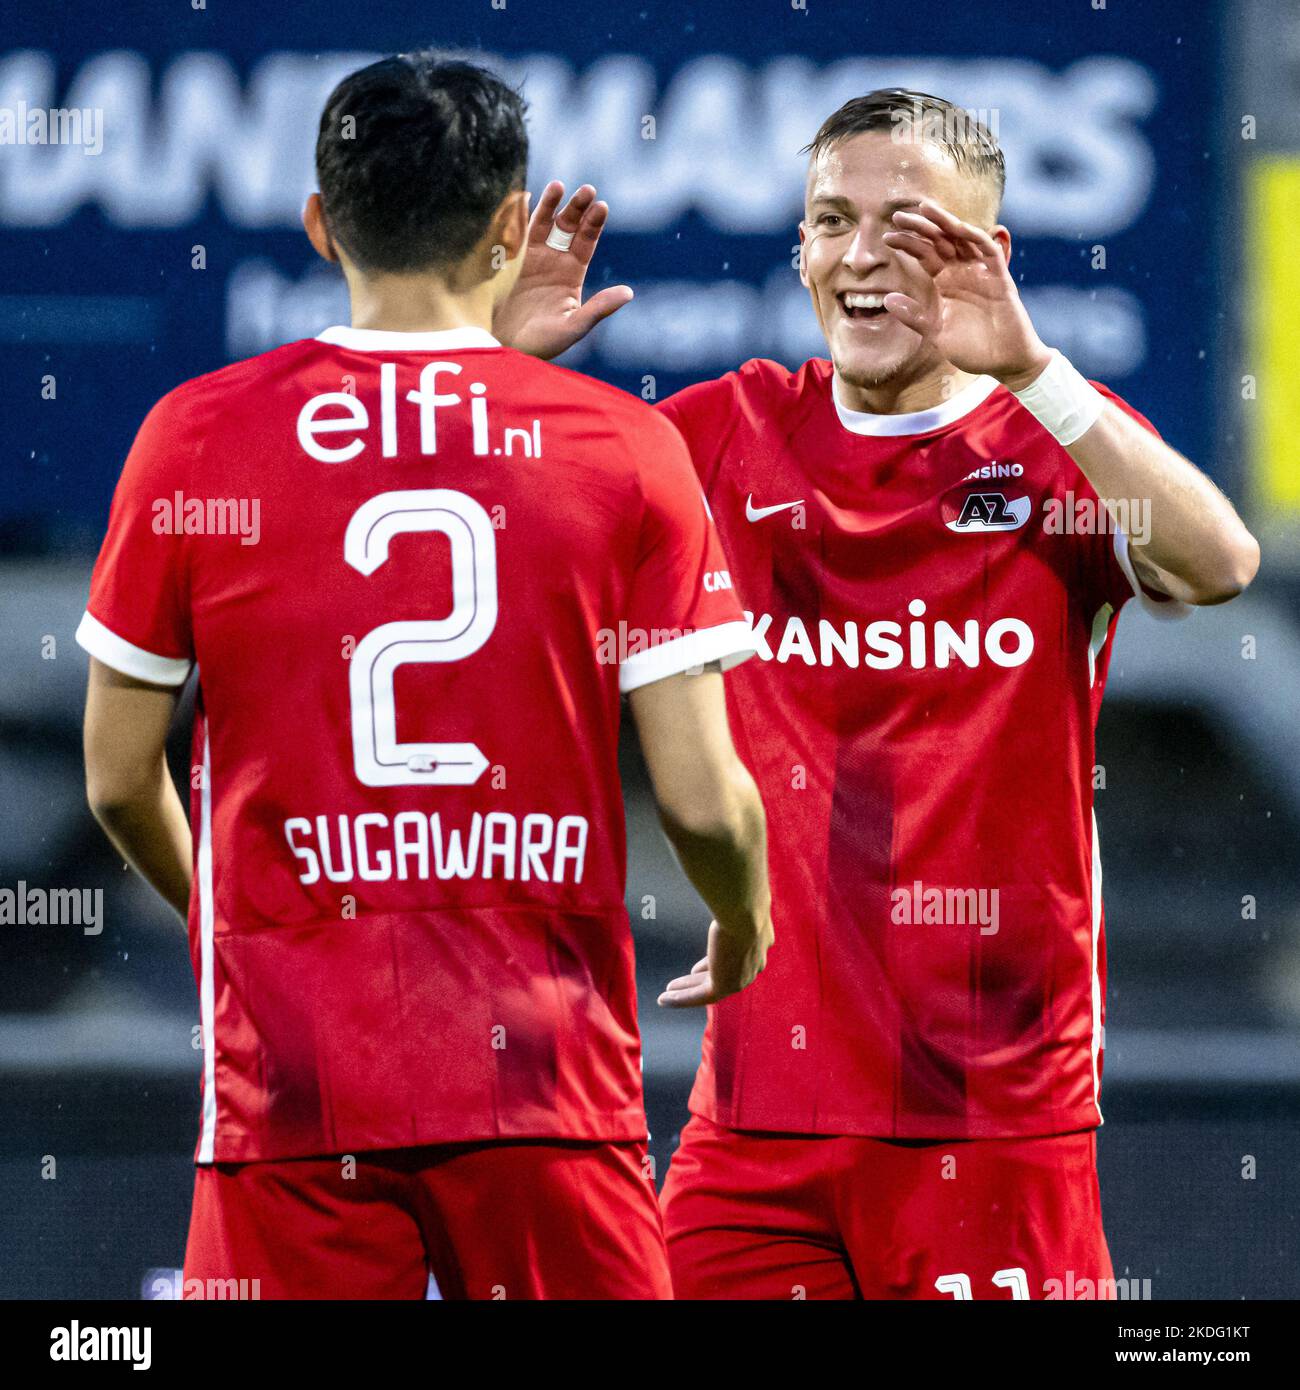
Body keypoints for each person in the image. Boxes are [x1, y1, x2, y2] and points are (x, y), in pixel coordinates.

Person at [502, 89, 1259, 1299]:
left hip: (993, 1112)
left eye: (903, 228)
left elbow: (1218, 565)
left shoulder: (1050, 440)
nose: (857, 258)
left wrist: (1034, 367)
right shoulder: (724, 434)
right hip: (754, 1119)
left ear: (988, 256)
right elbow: (481, 563)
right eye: (826, 221)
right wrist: (495, 376)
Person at [77, 51, 772, 1301]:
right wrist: (746, 918)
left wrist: (235, 928)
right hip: (548, 1092)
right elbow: (708, 802)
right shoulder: (624, 448)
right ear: (513, 224)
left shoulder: (195, 433)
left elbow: (120, 774)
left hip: (289, 1086)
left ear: (316, 223)